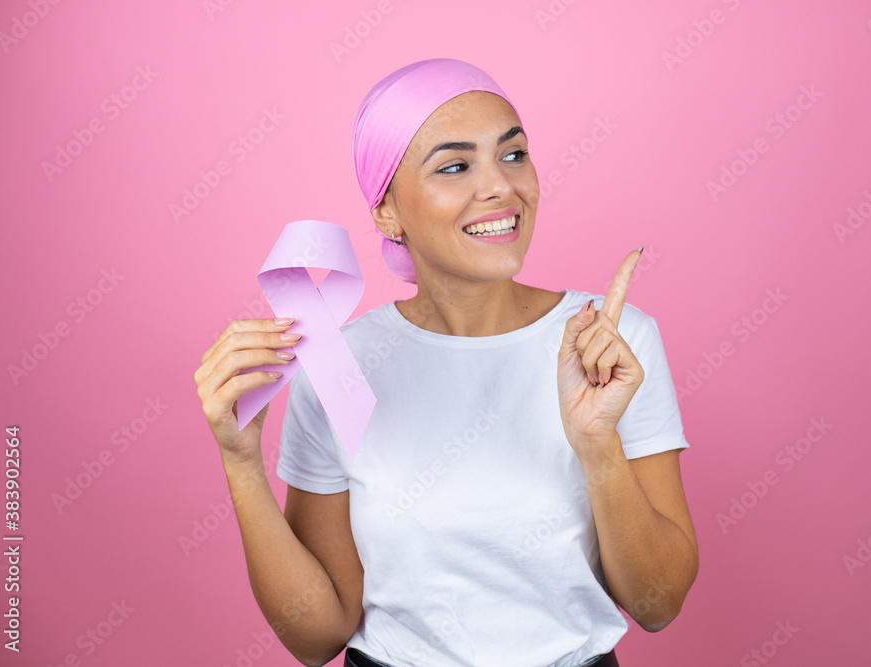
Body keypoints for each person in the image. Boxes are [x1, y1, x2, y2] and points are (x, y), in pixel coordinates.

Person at [194, 58, 699, 667]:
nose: (500, 187)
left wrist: (598, 446)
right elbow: (318, 636)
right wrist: (241, 461)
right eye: (456, 166)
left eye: (513, 155)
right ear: (388, 213)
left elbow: (658, 603)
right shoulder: (341, 367)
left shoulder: (611, 343)